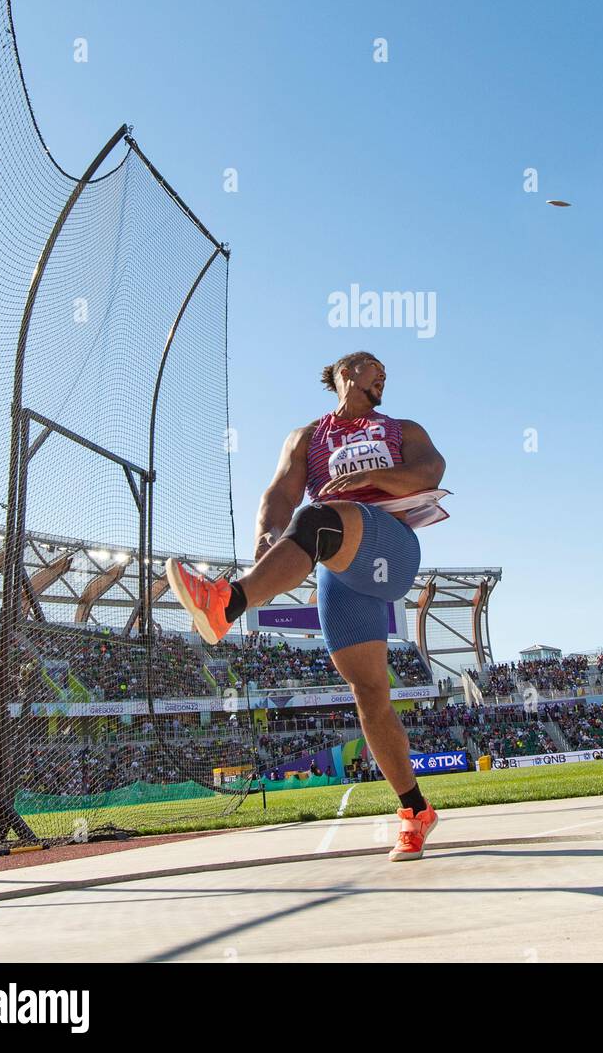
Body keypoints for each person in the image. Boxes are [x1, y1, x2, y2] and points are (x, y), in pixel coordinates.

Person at [167, 351, 448, 861]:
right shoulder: (306, 438)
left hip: (390, 546)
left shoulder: (400, 428)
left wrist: (382, 480)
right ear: (345, 374)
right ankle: (415, 810)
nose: (383, 373)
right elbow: (280, 492)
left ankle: (226, 602)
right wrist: (268, 532)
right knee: (369, 694)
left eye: (385, 370)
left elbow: (431, 470)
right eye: (371, 366)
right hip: (340, 569)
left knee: (320, 517)